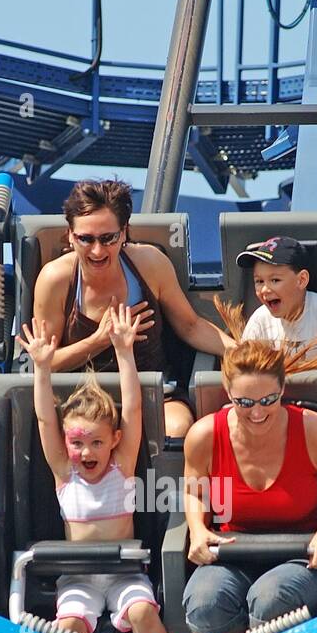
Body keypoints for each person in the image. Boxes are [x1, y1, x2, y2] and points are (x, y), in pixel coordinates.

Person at [19, 307, 170, 633]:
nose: (86, 451)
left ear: (114, 440)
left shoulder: (122, 466)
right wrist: (42, 368)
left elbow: (132, 410)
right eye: (77, 443)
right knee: (68, 628)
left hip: (125, 574)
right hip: (79, 577)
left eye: (96, 443)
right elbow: (45, 418)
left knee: (143, 613)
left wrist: (123, 351)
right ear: (66, 442)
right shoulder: (64, 473)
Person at [31, 178, 234, 438]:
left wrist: (236, 349)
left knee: (178, 428)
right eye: (86, 239)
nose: (97, 250)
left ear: (124, 232)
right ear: (70, 236)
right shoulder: (55, 280)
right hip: (84, 404)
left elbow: (190, 325)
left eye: (108, 238)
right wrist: (99, 341)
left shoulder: (150, 264)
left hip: (154, 395)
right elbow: (47, 363)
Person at [182, 335, 317, 633]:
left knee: (270, 599)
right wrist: (197, 529)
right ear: (228, 392)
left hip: (299, 555)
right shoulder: (204, 436)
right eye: (244, 403)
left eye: (267, 400)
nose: (257, 413)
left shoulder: (316, 431)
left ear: (282, 389)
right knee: (205, 602)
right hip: (230, 553)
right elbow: (195, 493)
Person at [237, 235, 317, 370]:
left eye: (275, 280)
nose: (265, 289)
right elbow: (245, 365)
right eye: (259, 281)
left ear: (301, 280)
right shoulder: (259, 320)